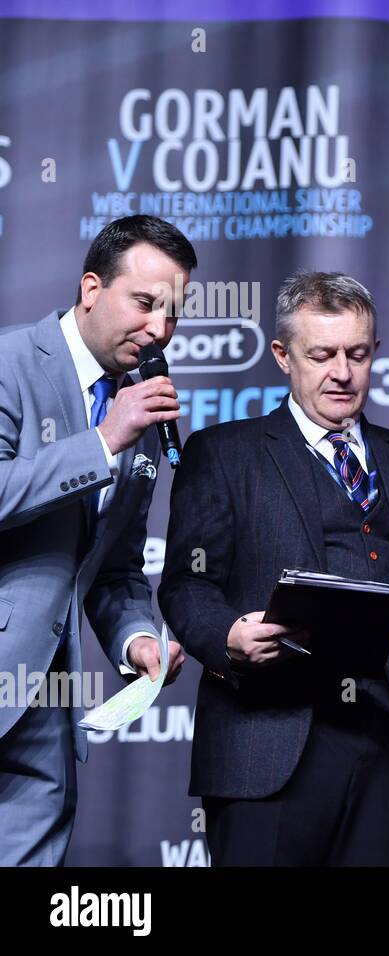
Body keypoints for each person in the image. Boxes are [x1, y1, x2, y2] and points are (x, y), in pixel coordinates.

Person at [159, 272, 389, 866]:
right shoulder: (223, 454)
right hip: (268, 741)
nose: (342, 372)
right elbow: (186, 583)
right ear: (283, 356)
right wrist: (227, 636)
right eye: (322, 354)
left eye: (357, 354)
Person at [0, 215, 189, 865]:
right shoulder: (10, 362)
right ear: (90, 289)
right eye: (144, 303)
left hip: (46, 712)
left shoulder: (137, 406)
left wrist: (136, 637)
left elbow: (114, 570)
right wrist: (104, 441)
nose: (159, 330)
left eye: (172, 313)